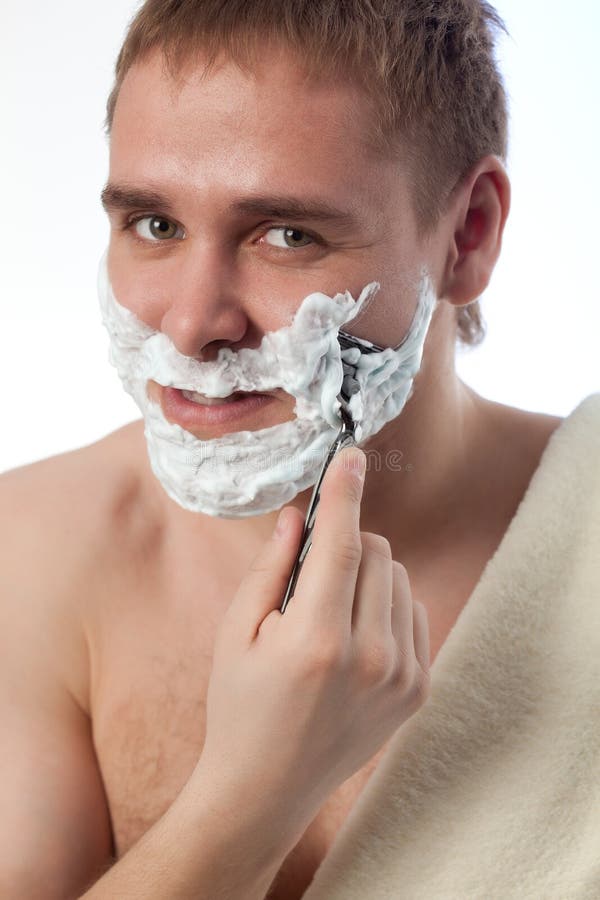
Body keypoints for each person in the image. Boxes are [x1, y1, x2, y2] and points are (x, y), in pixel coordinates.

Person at [2, 2, 598, 899]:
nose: (193, 323)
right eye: (155, 225)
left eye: (288, 236)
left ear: (467, 233)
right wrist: (252, 794)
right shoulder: (29, 553)